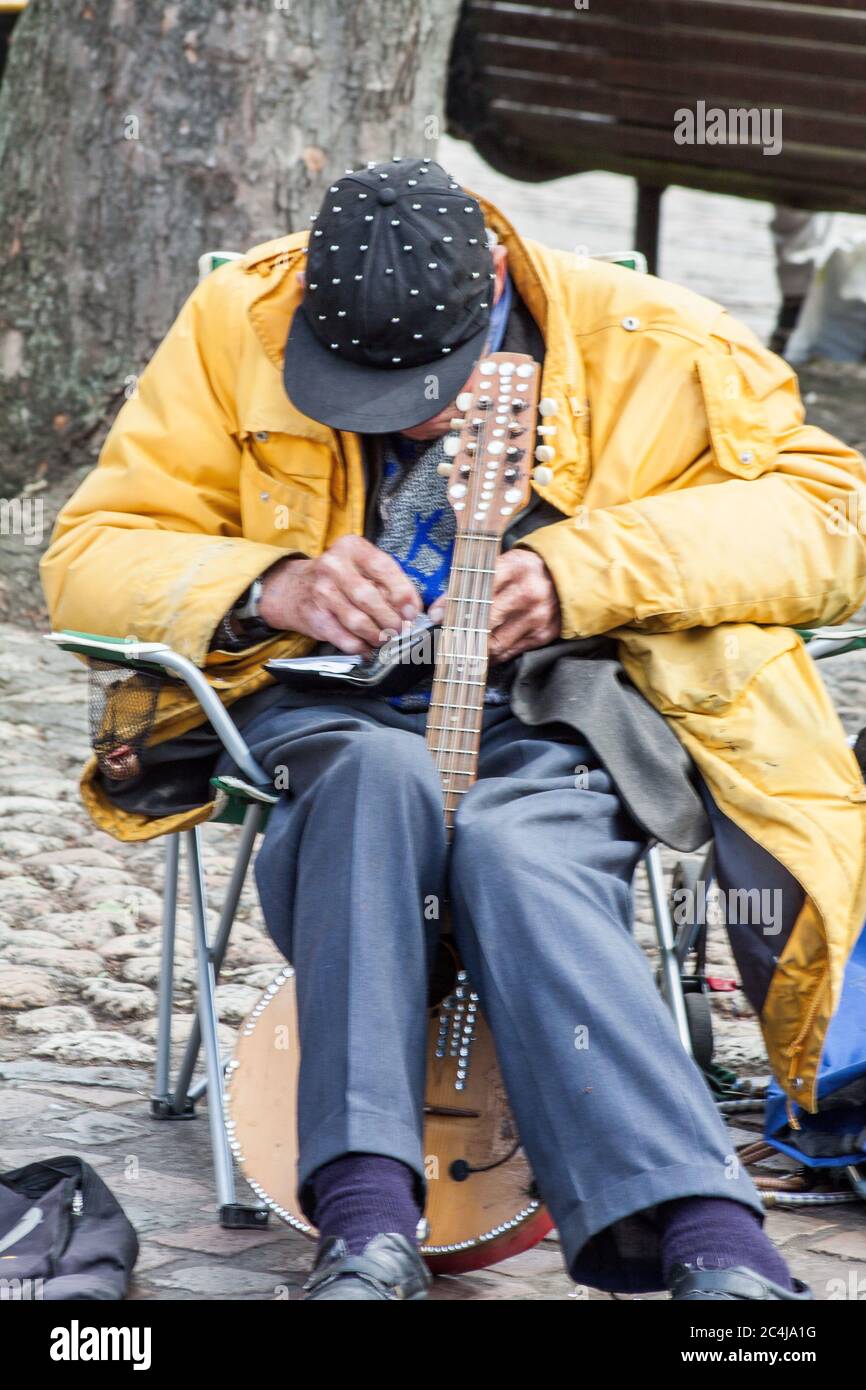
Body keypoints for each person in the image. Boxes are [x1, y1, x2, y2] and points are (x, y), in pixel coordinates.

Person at [42, 158, 866, 1302]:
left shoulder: (656, 337)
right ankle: (365, 1219)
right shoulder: (238, 317)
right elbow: (86, 554)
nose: (405, 415)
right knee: (374, 785)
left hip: (562, 704)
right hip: (326, 705)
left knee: (517, 844)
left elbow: (828, 524)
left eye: (429, 380)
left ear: (490, 276)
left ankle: (710, 1240)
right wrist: (266, 583)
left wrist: (586, 571)